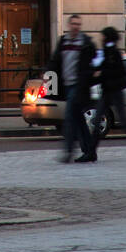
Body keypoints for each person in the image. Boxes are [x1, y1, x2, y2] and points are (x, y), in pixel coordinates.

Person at [85, 26, 126, 163]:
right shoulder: (108, 51)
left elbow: (115, 72)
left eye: (103, 36)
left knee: (123, 121)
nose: (101, 38)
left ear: (107, 37)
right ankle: (92, 152)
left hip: (115, 91)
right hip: (108, 90)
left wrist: (100, 73)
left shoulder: (112, 53)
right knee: (98, 118)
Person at [49, 14, 95, 163]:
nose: (76, 26)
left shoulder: (86, 42)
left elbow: (93, 61)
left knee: (69, 117)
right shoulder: (63, 41)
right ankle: (89, 151)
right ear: (69, 25)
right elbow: (55, 62)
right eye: (74, 24)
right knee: (79, 119)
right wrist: (48, 79)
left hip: (79, 86)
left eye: (78, 24)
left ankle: (68, 151)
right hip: (67, 86)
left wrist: (88, 77)